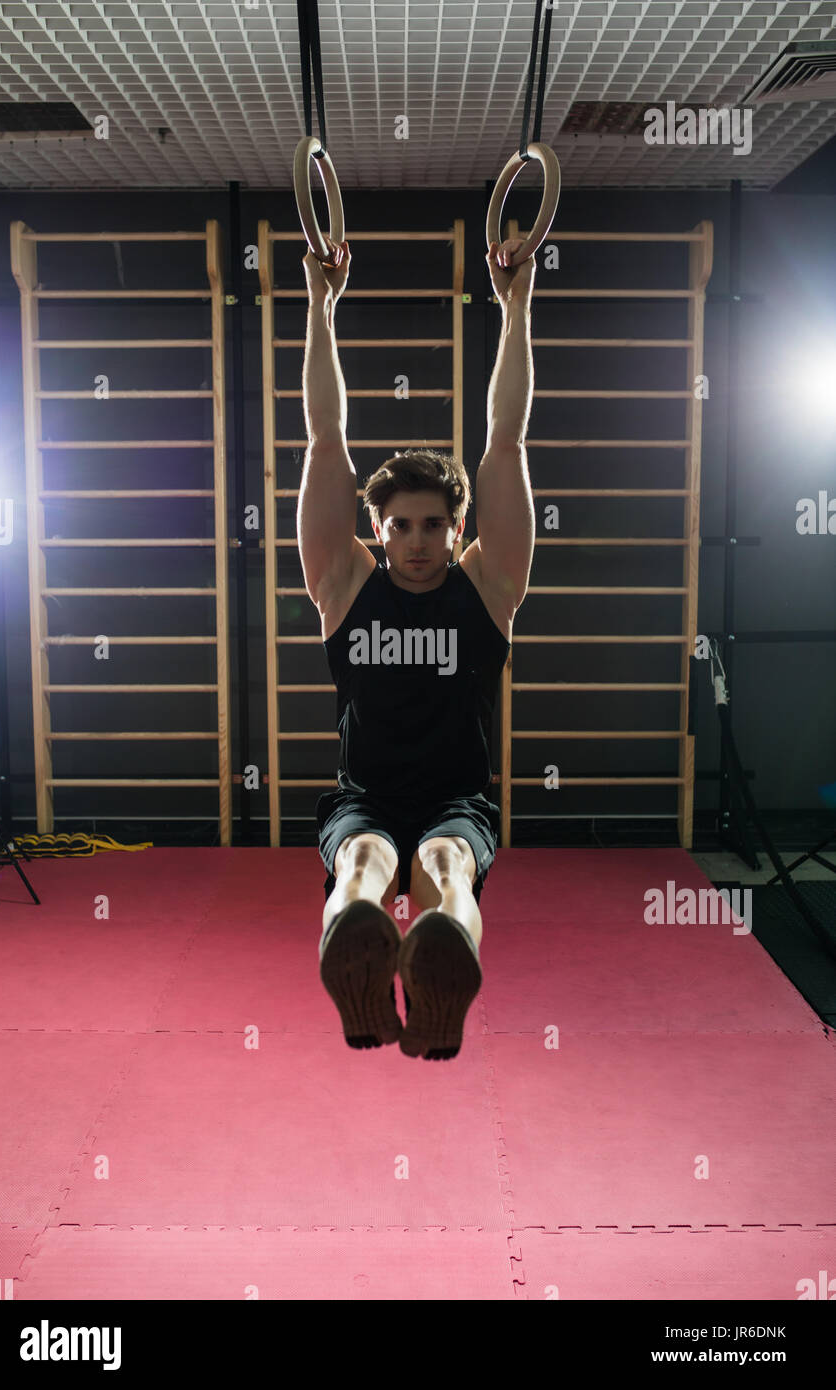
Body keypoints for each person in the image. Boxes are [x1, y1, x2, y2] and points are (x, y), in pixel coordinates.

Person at [298, 232, 536, 1060]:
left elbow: (504, 441)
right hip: (364, 794)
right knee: (364, 861)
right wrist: (321, 305)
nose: (419, 540)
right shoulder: (345, 584)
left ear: (458, 528)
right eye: (401, 525)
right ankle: (356, 966)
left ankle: (441, 976)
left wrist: (516, 305)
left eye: (435, 524)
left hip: (453, 802)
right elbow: (326, 440)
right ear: (377, 529)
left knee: (444, 864)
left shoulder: (487, 588)